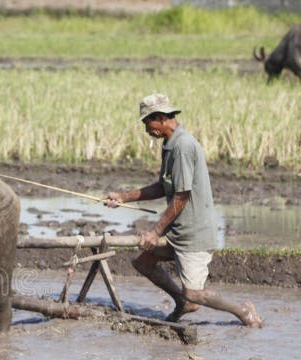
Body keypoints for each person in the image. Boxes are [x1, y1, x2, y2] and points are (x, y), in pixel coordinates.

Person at [104, 93, 262, 327]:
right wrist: (122, 197)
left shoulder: (183, 146)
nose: (147, 131)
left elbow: (181, 196)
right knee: (142, 262)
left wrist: (155, 232)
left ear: (159, 118)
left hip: (193, 234)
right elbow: (163, 186)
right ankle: (182, 300)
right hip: (177, 230)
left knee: (195, 295)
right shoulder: (169, 145)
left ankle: (243, 312)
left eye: (147, 124)